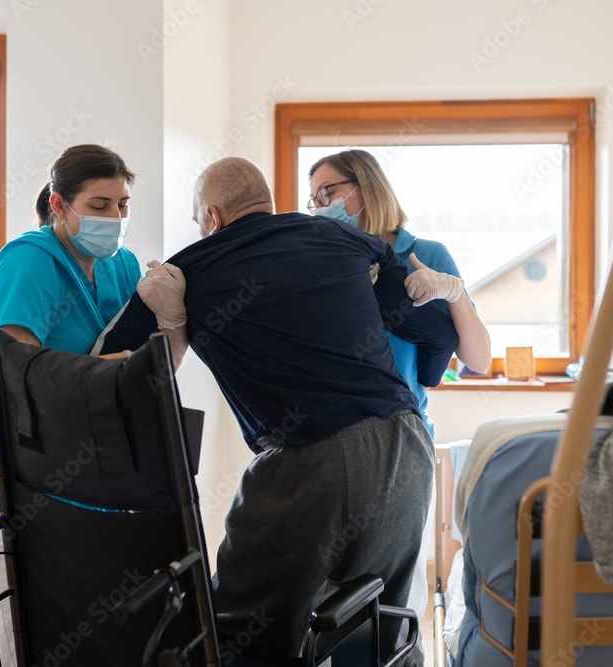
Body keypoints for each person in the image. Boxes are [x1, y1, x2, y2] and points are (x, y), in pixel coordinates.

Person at [95, 156, 458, 660]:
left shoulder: (189, 269)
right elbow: (439, 332)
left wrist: (172, 323)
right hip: (408, 448)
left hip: (311, 462)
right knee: (376, 634)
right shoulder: (348, 241)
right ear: (267, 201)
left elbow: (111, 382)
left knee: (242, 637)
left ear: (213, 218)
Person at [0, 144, 145, 666]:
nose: (116, 218)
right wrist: (113, 370)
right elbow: (14, 372)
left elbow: (140, 363)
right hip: (9, 474)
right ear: (59, 206)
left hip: (79, 478)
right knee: (22, 646)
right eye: (100, 205)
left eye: (123, 205)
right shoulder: (29, 261)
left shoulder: (122, 266)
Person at [308, 148, 491, 663]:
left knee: (390, 592)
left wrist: (451, 291)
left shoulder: (424, 251)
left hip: (401, 438)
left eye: (330, 192)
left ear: (365, 187)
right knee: (327, 589)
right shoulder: (321, 255)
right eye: (314, 197)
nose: (321, 205)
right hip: (330, 438)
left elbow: (477, 359)